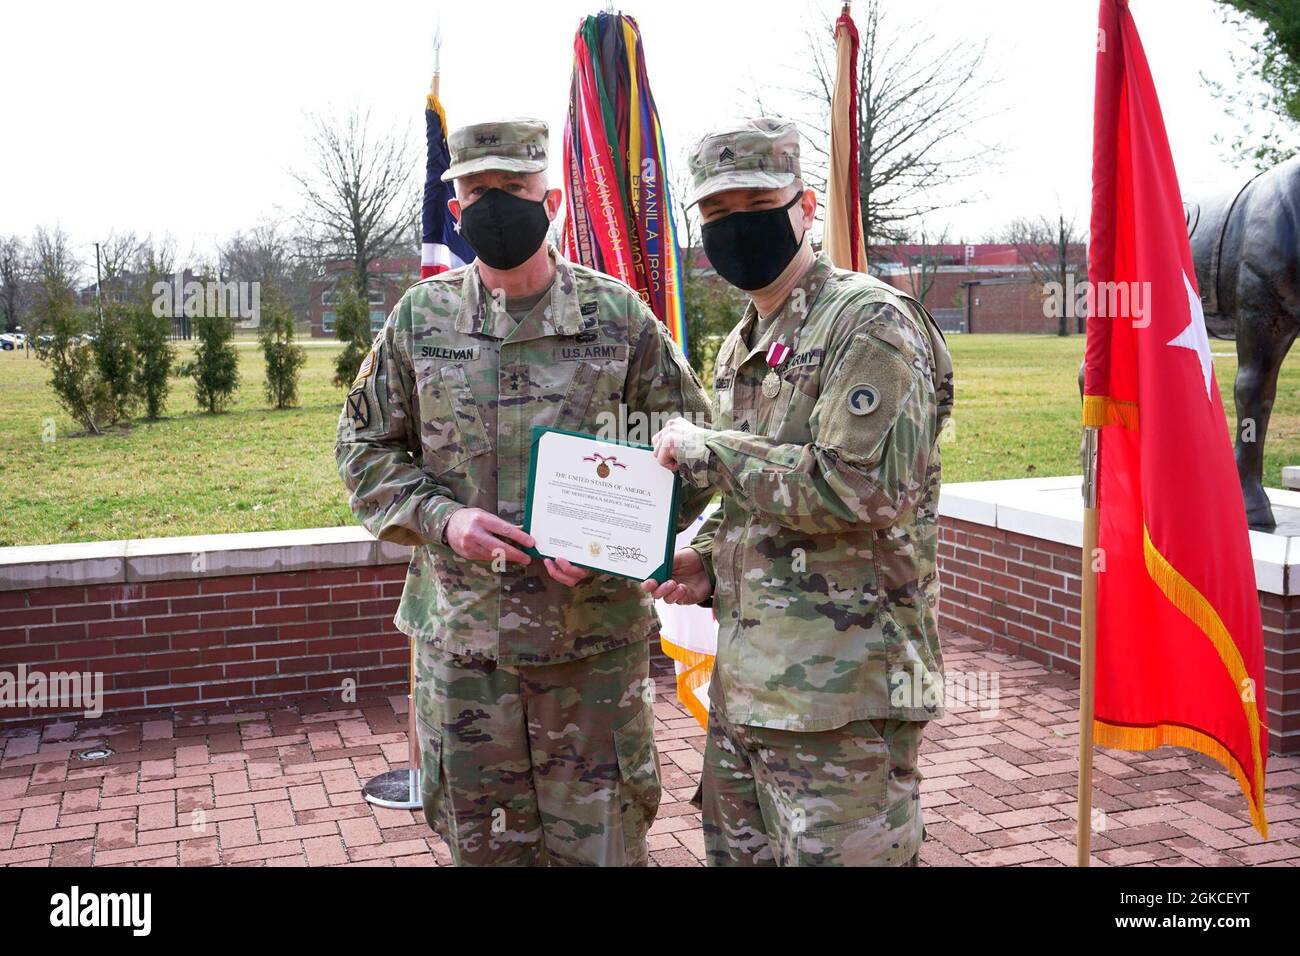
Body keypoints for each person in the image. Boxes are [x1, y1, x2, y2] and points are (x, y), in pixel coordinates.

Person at [336, 117, 711, 866]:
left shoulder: (618, 319)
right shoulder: (421, 320)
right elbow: (363, 450)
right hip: (467, 655)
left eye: (515, 188)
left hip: (591, 657)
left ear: (554, 199)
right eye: (479, 191)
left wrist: (616, 547)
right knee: (484, 852)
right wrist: (443, 521)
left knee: (604, 849)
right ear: (455, 210)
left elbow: (694, 452)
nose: (497, 205)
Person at [643, 117, 955, 866]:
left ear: (806, 205)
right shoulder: (743, 340)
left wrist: (707, 450)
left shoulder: (870, 322)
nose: (735, 225)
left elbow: (858, 492)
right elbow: (761, 495)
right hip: (751, 685)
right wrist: (709, 558)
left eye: (756, 202)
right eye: (716, 213)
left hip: (843, 698)